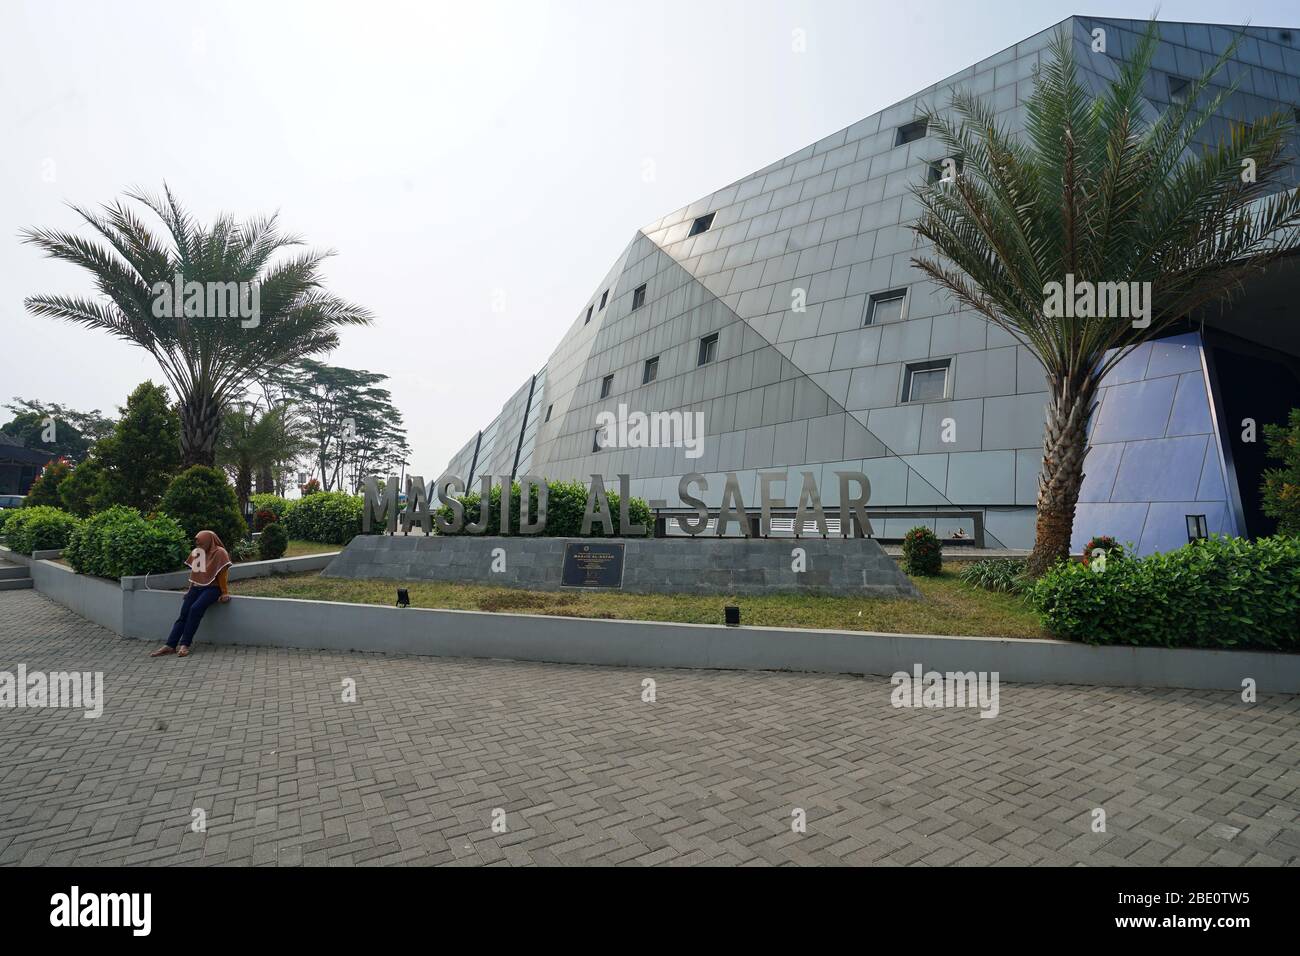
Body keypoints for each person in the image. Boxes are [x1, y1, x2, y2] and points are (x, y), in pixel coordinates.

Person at [150, 530, 231, 658]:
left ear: (209, 541)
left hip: (212, 589)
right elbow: (195, 573)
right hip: (196, 588)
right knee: (184, 613)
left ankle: (185, 645)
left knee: (195, 609)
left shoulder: (220, 553)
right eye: (197, 543)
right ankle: (170, 645)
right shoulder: (198, 552)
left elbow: (222, 575)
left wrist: (225, 592)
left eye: (201, 542)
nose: (198, 545)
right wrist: (190, 590)